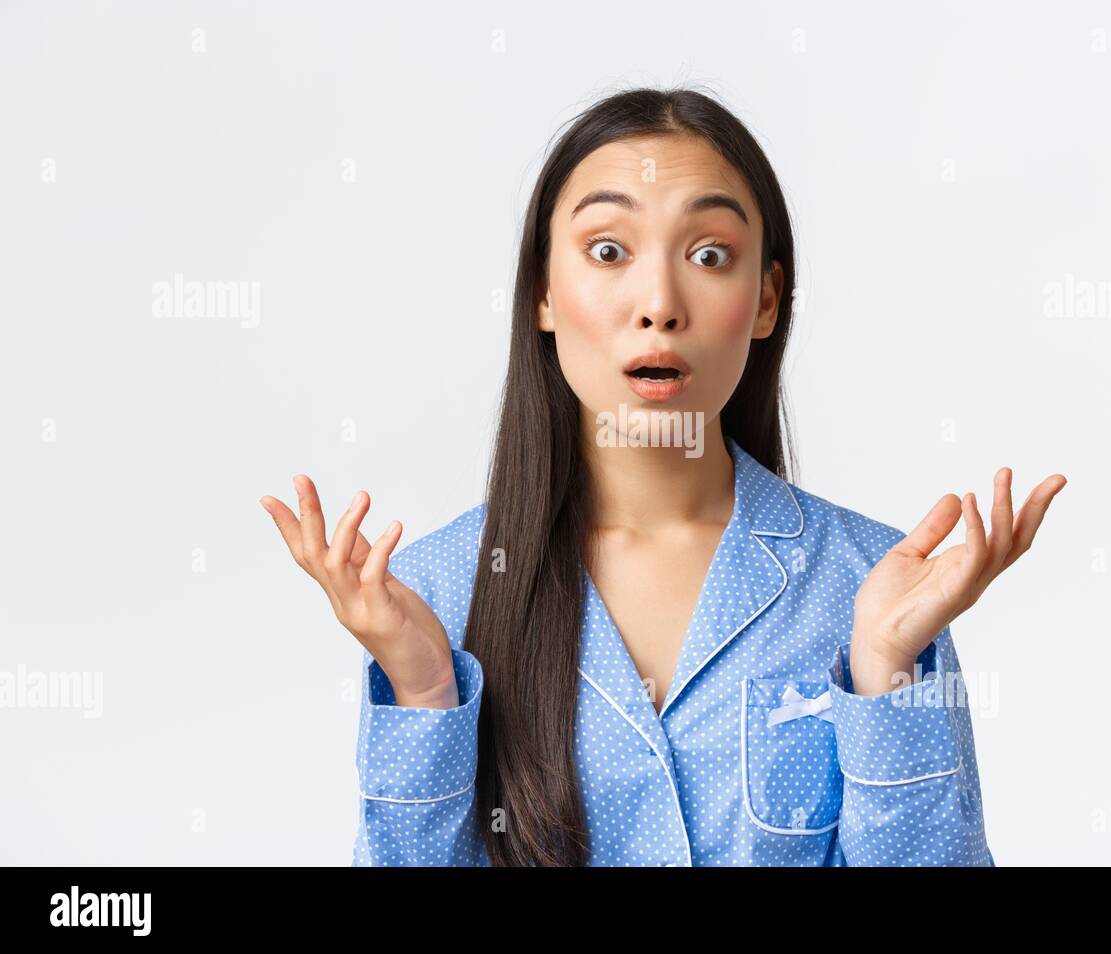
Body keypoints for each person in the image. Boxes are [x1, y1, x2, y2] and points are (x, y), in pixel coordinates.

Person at [260, 87, 1066, 866]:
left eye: (710, 255)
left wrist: (885, 668)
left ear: (765, 300)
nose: (659, 302)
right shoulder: (436, 592)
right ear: (543, 290)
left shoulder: (873, 585)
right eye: (608, 251)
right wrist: (427, 687)